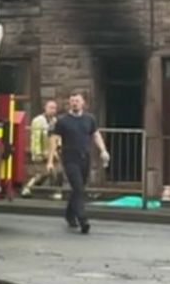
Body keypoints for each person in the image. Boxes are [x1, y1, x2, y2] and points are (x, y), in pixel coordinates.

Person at [47, 90, 109, 234]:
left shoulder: (89, 119)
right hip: (69, 158)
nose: (75, 103)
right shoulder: (63, 121)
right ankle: (83, 220)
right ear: (70, 103)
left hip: (84, 158)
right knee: (78, 188)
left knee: (79, 188)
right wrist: (50, 160)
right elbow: (54, 140)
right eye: (72, 101)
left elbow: (95, 135)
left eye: (77, 101)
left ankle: (69, 213)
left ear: (83, 103)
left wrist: (103, 150)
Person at [22, 100, 63, 200]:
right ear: (45, 108)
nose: (53, 110)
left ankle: (57, 191)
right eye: (51, 108)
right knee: (42, 173)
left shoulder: (55, 121)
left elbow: (57, 136)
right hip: (42, 150)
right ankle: (28, 188)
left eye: (54, 108)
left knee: (58, 171)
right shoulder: (38, 120)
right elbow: (35, 138)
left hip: (52, 151)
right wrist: (37, 153)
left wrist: (58, 148)